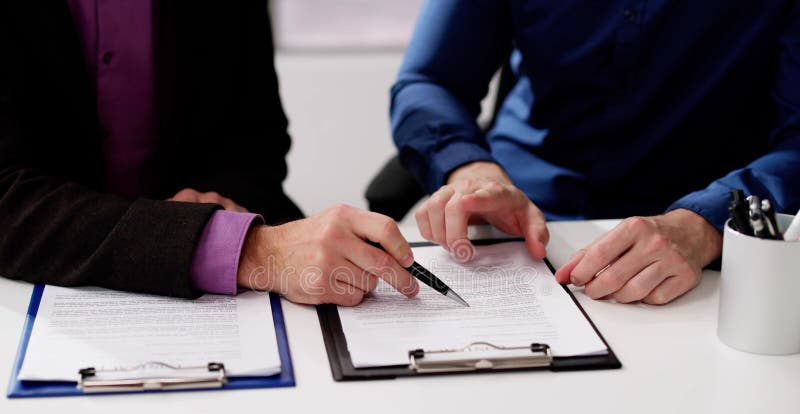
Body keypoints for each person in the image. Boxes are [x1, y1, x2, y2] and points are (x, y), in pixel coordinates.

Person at [0, 1, 418, 306]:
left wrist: (216, 206)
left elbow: (257, 144)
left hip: (209, 306)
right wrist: (234, 245)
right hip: (40, 291)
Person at [391, 0, 800, 304]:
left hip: (695, 247)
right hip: (515, 220)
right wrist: (470, 169)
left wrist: (703, 225)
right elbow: (430, 81)